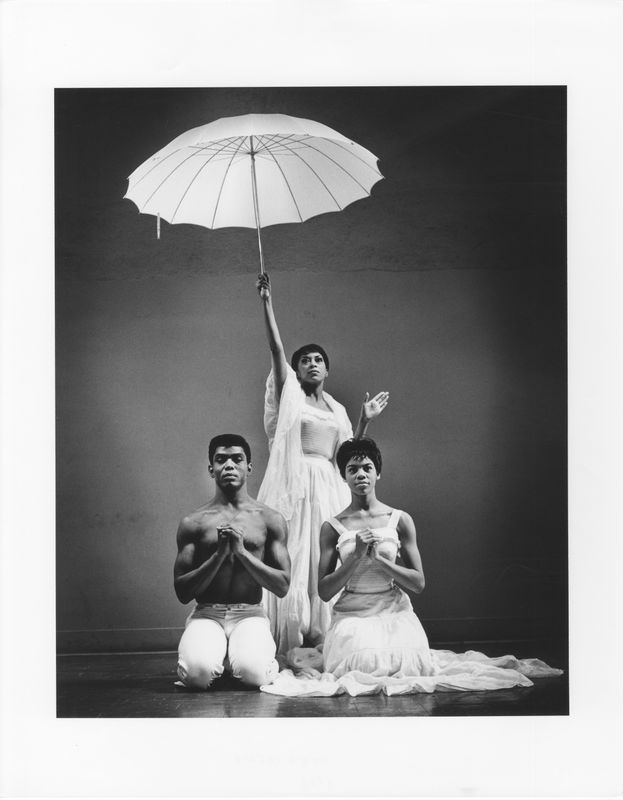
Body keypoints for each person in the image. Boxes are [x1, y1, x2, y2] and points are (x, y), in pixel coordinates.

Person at [261, 438, 563, 697]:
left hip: (393, 611)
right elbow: (324, 592)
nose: (361, 475)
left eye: (367, 468)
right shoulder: (333, 526)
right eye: (352, 470)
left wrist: (379, 558)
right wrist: (355, 558)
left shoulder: (400, 519)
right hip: (352, 615)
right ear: (344, 477)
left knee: (412, 664)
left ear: (378, 472)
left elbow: (418, 583)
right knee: (362, 664)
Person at [256, 271, 389, 653]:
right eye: (305, 360)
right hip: (295, 486)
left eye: (318, 360)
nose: (312, 364)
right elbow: (276, 352)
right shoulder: (290, 398)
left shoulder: (337, 409)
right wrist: (267, 303)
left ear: (327, 370)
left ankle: (327, 638)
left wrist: (364, 419)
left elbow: (348, 455)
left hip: (327, 485)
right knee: (296, 556)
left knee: (325, 556)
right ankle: (292, 639)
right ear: (296, 370)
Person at [174, 434, 291, 690]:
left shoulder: (269, 519)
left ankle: (238, 657)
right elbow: (182, 592)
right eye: (221, 460)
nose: (229, 465)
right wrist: (218, 556)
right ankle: (217, 657)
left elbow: (282, 585)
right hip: (207, 614)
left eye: (237, 459)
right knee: (197, 676)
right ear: (211, 469)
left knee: (256, 676)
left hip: (250, 613)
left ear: (249, 466)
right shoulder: (193, 522)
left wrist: (241, 553)